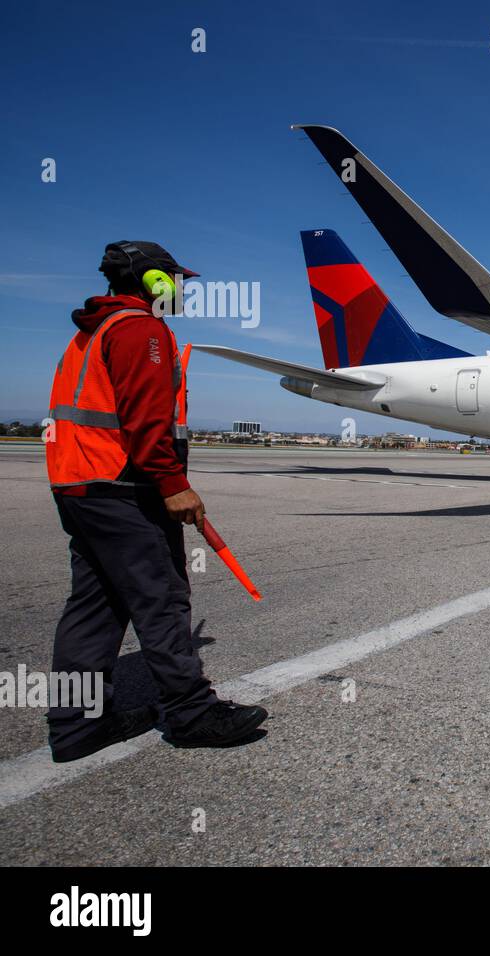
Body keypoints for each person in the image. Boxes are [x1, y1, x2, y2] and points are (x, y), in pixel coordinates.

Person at [44, 241, 268, 762]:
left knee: (94, 609)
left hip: (80, 486)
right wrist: (173, 484)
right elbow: (145, 421)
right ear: (156, 283)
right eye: (177, 280)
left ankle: (77, 727)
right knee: (162, 601)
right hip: (126, 488)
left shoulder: (92, 331)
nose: (184, 291)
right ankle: (191, 714)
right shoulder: (142, 330)